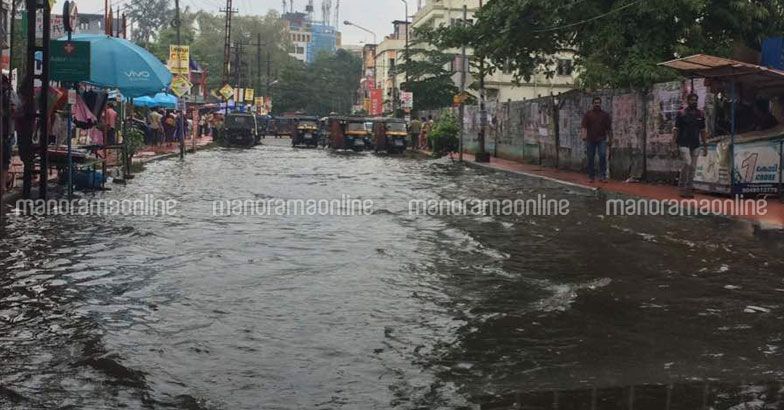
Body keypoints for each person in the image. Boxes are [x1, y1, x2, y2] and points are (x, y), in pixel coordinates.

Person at [673, 93, 708, 198]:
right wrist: (673, 143)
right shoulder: (681, 113)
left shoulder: (700, 114)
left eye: (696, 100)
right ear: (688, 101)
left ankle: (689, 190)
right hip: (683, 143)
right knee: (687, 163)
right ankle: (682, 188)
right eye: (692, 100)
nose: (694, 102)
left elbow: (703, 131)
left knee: (693, 167)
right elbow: (676, 129)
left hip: (695, 144)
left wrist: (705, 145)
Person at [581, 97, 613, 182]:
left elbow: (609, 128)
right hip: (590, 139)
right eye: (595, 103)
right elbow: (584, 126)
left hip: (601, 139)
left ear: (600, 104)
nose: (597, 104)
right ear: (592, 104)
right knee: (590, 157)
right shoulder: (588, 114)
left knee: (602, 156)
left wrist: (610, 139)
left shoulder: (605, 115)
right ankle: (591, 176)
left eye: (598, 103)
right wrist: (584, 136)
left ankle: (602, 176)